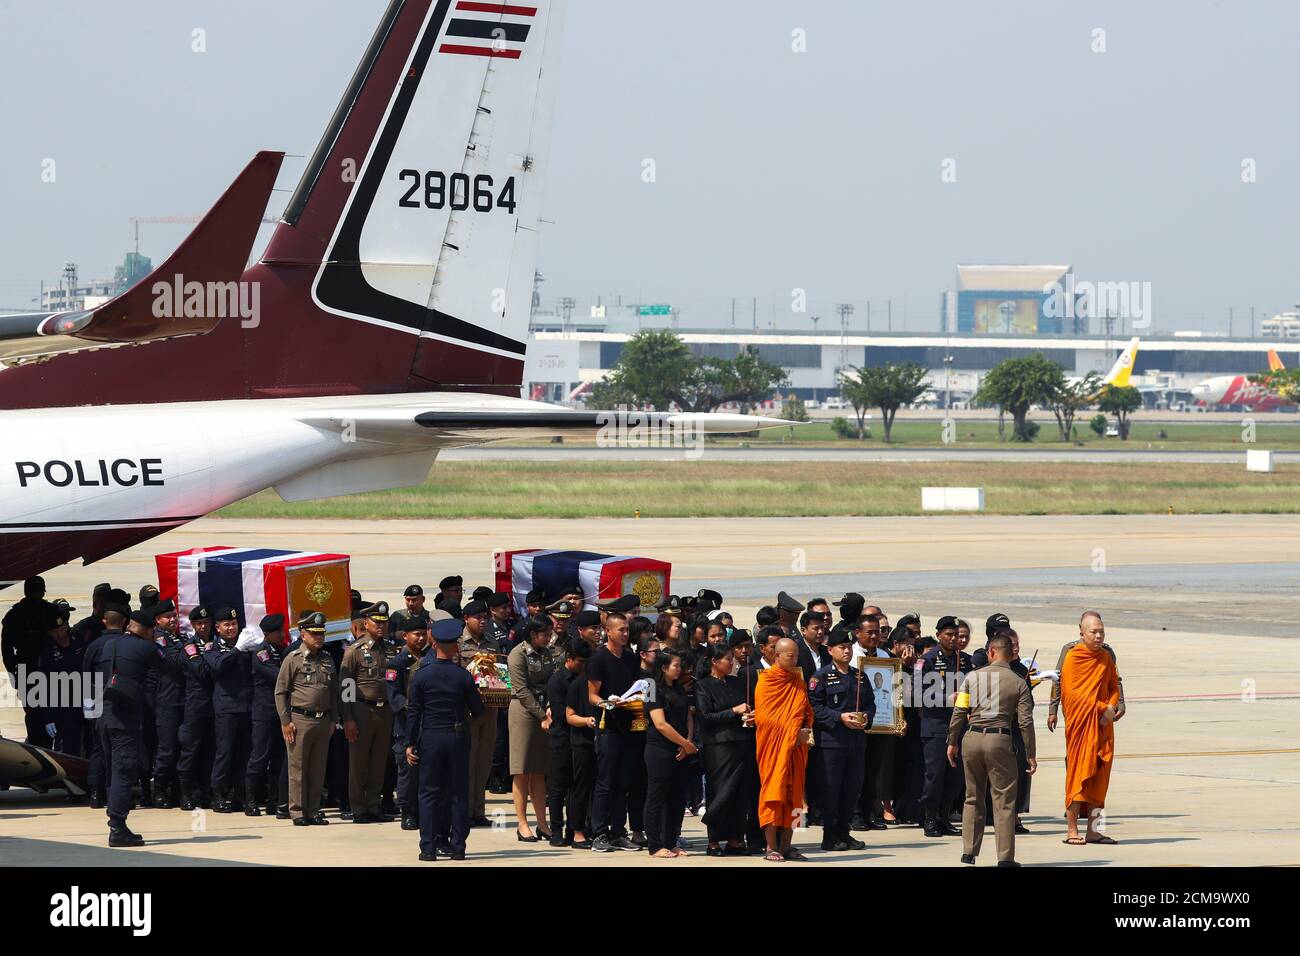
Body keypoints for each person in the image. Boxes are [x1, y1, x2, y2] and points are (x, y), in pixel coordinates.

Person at [946, 632, 1037, 866]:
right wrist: (1030, 754)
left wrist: (952, 741)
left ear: (991, 652)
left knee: (972, 797)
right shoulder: (1018, 682)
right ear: (1010, 654)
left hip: (972, 738)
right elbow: (1025, 722)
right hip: (999, 740)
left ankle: (969, 851)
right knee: (1004, 800)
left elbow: (959, 712)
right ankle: (1005, 857)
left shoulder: (972, 677)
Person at [407, 618, 485, 861]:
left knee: (428, 793)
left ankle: (428, 848)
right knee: (458, 793)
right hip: (457, 737)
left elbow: (414, 712)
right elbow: (479, 711)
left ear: (435, 643)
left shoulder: (421, 675)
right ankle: (458, 847)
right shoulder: (462, 676)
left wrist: (410, 743)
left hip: (430, 736)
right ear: (454, 646)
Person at [92, 606, 161, 846]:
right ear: (145, 629)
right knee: (125, 770)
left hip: (104, 715)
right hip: (124, 719)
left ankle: (116, 821)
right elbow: (169, 669)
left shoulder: (108, 644)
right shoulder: (146, 647)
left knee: (114, 769)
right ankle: (118, 827)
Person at [1061, 611, 1121, 846]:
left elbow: (1113, 684)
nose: (1098, 636)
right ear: (1081, 633)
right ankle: (1072, 830)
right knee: (1078, 778)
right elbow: (1072, 695)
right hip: (1082, 726)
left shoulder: (1106, 657)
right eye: (1093, 632)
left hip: (1104, 726)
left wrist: (1112, 706)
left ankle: (1094, 831)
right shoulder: (1073, 657)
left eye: (1101, 632)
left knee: (1100, 779)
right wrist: (1101, 708)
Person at [808, 628, 872, 851]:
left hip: (856, 741)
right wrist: (839, 717)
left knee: (852, 789)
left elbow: (870, 703)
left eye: (848, 647)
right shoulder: (821, 677)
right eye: (842, 647)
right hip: (832, 742)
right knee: (831, 790)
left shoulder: (859, 675)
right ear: (830, 650)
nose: (846, 651)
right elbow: (814, 707)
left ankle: (845, 832)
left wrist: (867, 717)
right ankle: (830, 835)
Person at [275, 612, 339, 825]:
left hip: (323, 720)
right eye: (314, 634)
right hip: (300, 719)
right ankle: (298, 811)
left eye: (321, 634)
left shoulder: (328, 659)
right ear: (303, 635)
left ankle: (313, 810)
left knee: (318, 768)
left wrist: (333, 719)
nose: (319, 638)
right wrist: (285, 721)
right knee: (298, 768)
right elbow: (280, 692)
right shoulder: (293, 659)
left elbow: (333, 692)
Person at [587, 611, 643, 852]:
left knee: (624, 782)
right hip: (607, 725)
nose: (625, 633)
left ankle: (619, 832)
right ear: (608, 631)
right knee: (606, 782)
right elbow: (592, 695)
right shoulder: (599, 659)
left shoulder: (630, 659)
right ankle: (599, 833)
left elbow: (637, 687)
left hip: (628, 724)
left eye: (627, 629)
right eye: (620, 629)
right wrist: (608, 703)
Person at [754, 638, 814, 862]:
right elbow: (764, 718)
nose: (794, 659)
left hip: (797, 749)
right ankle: (771, 847)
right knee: (772, 794)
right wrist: (792, 733)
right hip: (774, 748)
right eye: (790, 655)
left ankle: (787, 845)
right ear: (776, 656)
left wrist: (805, 728)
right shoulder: (767, 681)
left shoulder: (798, 681)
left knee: (796, 796)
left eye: (796, 655)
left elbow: (806, 711)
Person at [695, 643, 754, 856]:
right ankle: (713, 842)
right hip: (719, 746)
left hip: (741, 742)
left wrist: (749, 715)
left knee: (740, 794)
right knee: (720, 792)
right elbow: (706, 717)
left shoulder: (736, 682)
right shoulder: (703, 685)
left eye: (732, 658)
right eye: (728, 659)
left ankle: (735, 839)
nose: (732, 662)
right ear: (714, 661)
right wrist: (733, 711)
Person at [917, 616, 973, 837]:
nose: (953, 639)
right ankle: (929, 818)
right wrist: (945, 698)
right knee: (935, 774)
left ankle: (945, 815)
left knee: (954, 776)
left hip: (960, 727)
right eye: (949, 635)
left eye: (957, 635)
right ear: (939, 634)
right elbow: (919, 694)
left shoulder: (965, 660)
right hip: (936, 726)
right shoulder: (928, 660)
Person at [341, 602, 396, 823]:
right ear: (366, 623)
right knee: (359, 762)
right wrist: (348, 718)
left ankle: (374, 805)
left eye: (384, 621)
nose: (381, 625)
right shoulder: (355, 651)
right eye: (377, 622)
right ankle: (358, 807)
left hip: (385, 711)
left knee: (379, 761)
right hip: (362, 709)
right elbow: (346, 687)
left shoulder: (391, 649)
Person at [642, 649, 695, 858]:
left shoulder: (680, 688)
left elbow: (688, 716)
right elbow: (660, 724)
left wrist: (687, 742)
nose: (680, 669)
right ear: (664, 667)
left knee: (677, 798)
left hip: (681, 749)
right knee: (657, 796)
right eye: (676, 666)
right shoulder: (652, 687)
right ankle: (655, 844)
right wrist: (684, 743)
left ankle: (671, 841)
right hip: (659, 749)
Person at [508, 614, 555, 841]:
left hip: (543, 711)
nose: (549, 638)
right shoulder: (518, 654)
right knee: (522, 770)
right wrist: (540, 715)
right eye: (545, 634)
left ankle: (542, 823)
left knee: (539, 770)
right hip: (523, 712)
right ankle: (522, 823)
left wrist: (549, 708)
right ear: (533, 634)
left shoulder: (548, 653)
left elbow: (550, 683)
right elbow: (522, 690)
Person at [205, 607, 255, 812]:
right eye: (226, 625)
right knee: (224, 752)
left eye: (234, 624)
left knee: (244, 753)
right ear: (217, 628)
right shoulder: (212, 648)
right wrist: (237, 649)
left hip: (246, 706)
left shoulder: (245, 645)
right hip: (226, 707)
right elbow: (218, 666)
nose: (231, 628)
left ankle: (239, 794)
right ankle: (218, 794)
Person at [457, 599, 502, 827]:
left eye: (486, 618)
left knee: (484, 761)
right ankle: (464, 810)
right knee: (468, 761)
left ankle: (478, 810)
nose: (483, 621)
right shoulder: (458, 643)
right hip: (467, 711)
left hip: (490, 708)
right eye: (479, 618)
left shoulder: (492, 643)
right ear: (467, 619)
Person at [849, 613, 896, 829]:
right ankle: (856, 814)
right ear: (858, 633)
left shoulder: (886, 657)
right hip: (857, 723)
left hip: (882, 721)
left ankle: (870, 813)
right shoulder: (851, 656)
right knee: (857, 771)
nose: (875, 636)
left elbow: (894, 690)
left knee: (874, 771)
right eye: (870, 632)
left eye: (878, 632)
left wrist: (898, 717)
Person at [545, 639, 589, 846]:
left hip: (580, 739)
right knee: (558, 787)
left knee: (577, 787)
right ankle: (556, 829)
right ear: (569, 659)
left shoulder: (585, 679)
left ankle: (575, 827)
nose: (583, 665)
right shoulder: (558, 680)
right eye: (580, 661)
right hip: (562, 738)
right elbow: (561, 713)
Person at [245, 614, 290, 817]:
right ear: (267, 634)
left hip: (281, 714)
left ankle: (274, 801)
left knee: (280, 759)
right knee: (259, 758)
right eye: (278, 632)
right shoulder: (261, 654)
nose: (282, 634)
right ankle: (251, 800)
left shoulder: (282, 651)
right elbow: (279, 676)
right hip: (264, 713)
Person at [387, 615, 429, 830]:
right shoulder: (397, 663)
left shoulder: (430, 658)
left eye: (424, 634)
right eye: (417, 634)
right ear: (405, 636)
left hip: (429, 724)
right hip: (406, 726)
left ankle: (424, 811)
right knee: (408, 771)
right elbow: (394, 696)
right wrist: (412, 709)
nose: (421, 638)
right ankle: (407, 812)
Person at [2, 576, 53, 748]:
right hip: (49, 670)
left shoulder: (14, 615)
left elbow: (7, 649)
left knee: (32, 714)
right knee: (49, 712)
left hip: (26, 669)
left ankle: (37, 744)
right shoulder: (50, 611)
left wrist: (13, 673)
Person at [146, 600, 186, 808]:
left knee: (182, 746)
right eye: (167, 617)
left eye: (174, 615)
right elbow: (173, 662)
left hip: (182, 699)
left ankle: (178, 788)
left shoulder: (179, 638)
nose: (172, 619)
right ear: (157, 620)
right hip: (166, 700)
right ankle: (159, 789)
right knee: (167, 747)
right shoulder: (159, 639)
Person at [177, 605, 216, 811]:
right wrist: (212, 656)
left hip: (214, 705)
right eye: (199, 623)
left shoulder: (215, 643)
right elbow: (201, 670)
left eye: (207, 623)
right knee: (190, 750)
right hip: (196, 705)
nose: (204, 626)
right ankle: (186, 793)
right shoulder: (190, 647)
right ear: (193, 625)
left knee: (210, 751)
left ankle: (206, 791)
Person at [35, 604, 86, 759]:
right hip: (61, 710)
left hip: (82, 704)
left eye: (62, 629)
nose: (60, 634)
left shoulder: (79, 643)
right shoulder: (48, 653)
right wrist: (48, 718)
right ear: (49, 633)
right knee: (65, 750)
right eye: (55, 632)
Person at [564, 643, 599, 850]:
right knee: (581, 787)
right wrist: (586, 721)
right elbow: (570, 716)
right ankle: (577, 831)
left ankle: (595, 827)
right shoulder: (577, 685)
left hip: (601, 742)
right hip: (582, 742)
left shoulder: (600, 684)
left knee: (598, 788)